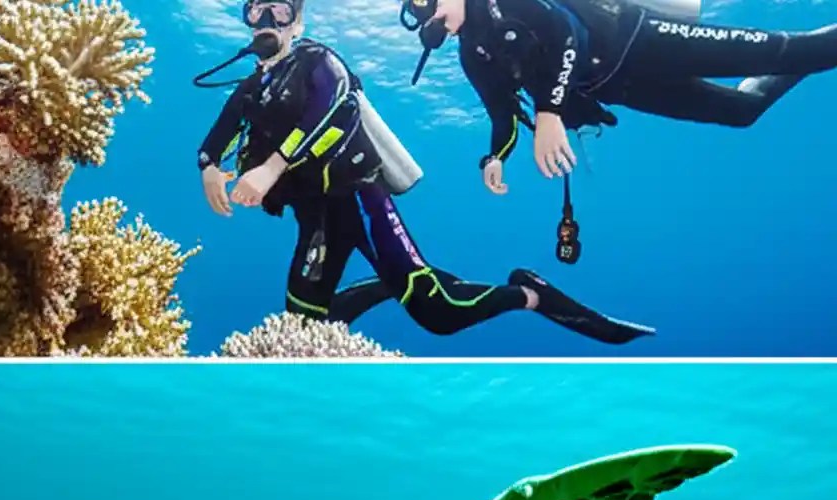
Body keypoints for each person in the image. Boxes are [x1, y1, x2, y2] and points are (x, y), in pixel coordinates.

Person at [193, 0, 654, 344]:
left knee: (440, 315)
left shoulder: (320, 62)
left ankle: (530, 295)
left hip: (359, 197)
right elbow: (218, 135)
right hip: (315, 217)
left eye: (280, 10)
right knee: (300, 329)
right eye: (257, 11)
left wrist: (271, 167)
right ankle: (388, 284)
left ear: (299, 22)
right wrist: (210, 166)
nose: (268, 21)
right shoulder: (254, 86)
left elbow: (334, 112)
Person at [400, 0, 837, 188]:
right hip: (623, 86)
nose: (434, 17)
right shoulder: (474, 56)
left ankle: (810, 51)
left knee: (790, 51)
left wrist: (550, 112)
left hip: (641, 39)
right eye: (425, 16)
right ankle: (804, 59)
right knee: (744, 112)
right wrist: (495, 157)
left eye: (432, 3)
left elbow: (566, 33)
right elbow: (502, 113)